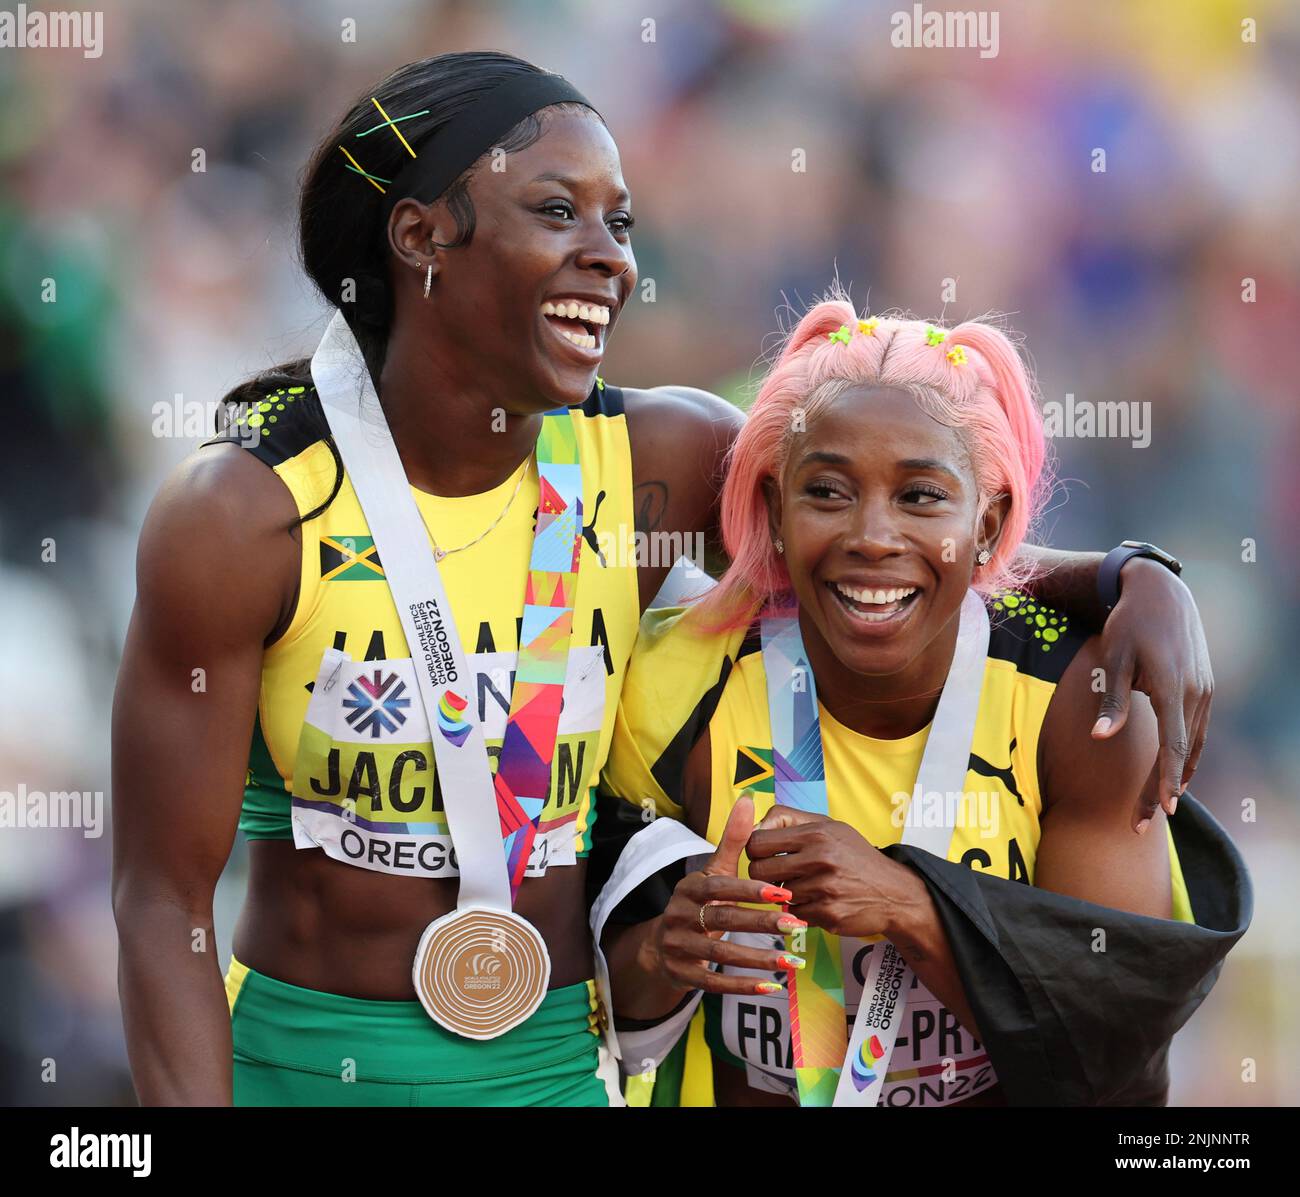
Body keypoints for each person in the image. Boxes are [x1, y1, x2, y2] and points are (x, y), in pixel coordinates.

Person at [112, 52, 1215, 1107]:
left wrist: (1130, 579)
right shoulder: (241, 517)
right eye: (558, 212)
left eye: (619, 222)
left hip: (546, 1068)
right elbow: (162, 900)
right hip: (299, 1063)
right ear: (421, 237)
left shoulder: (663, 459)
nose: (614, 258)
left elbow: (881, 535)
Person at [594, 302, 1248, 1107]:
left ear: (990, 523)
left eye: (922, 496)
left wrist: (912, 908)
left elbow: (1110, 1054)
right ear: (771, 509)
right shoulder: (671, 682)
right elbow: (581, 989)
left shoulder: (1083, 704)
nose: (872, 535)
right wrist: (660, 953)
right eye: (827, 490)